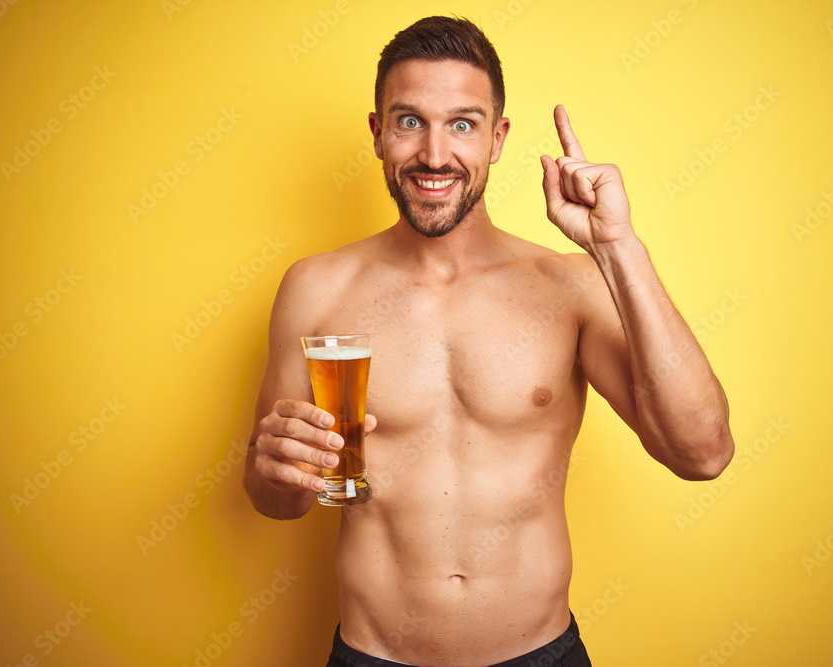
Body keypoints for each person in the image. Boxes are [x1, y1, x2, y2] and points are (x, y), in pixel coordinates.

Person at [244, 15, 734, 667]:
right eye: (410, 120)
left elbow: (701, 451)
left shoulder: (569, 285)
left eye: (463, 123)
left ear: (498, 137)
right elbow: (276, 500)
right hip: (372, 655)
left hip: (540, 654)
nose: (436, 154)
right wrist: (271, 468)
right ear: (378, 133)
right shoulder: (315, 288)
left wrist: (619, 249)